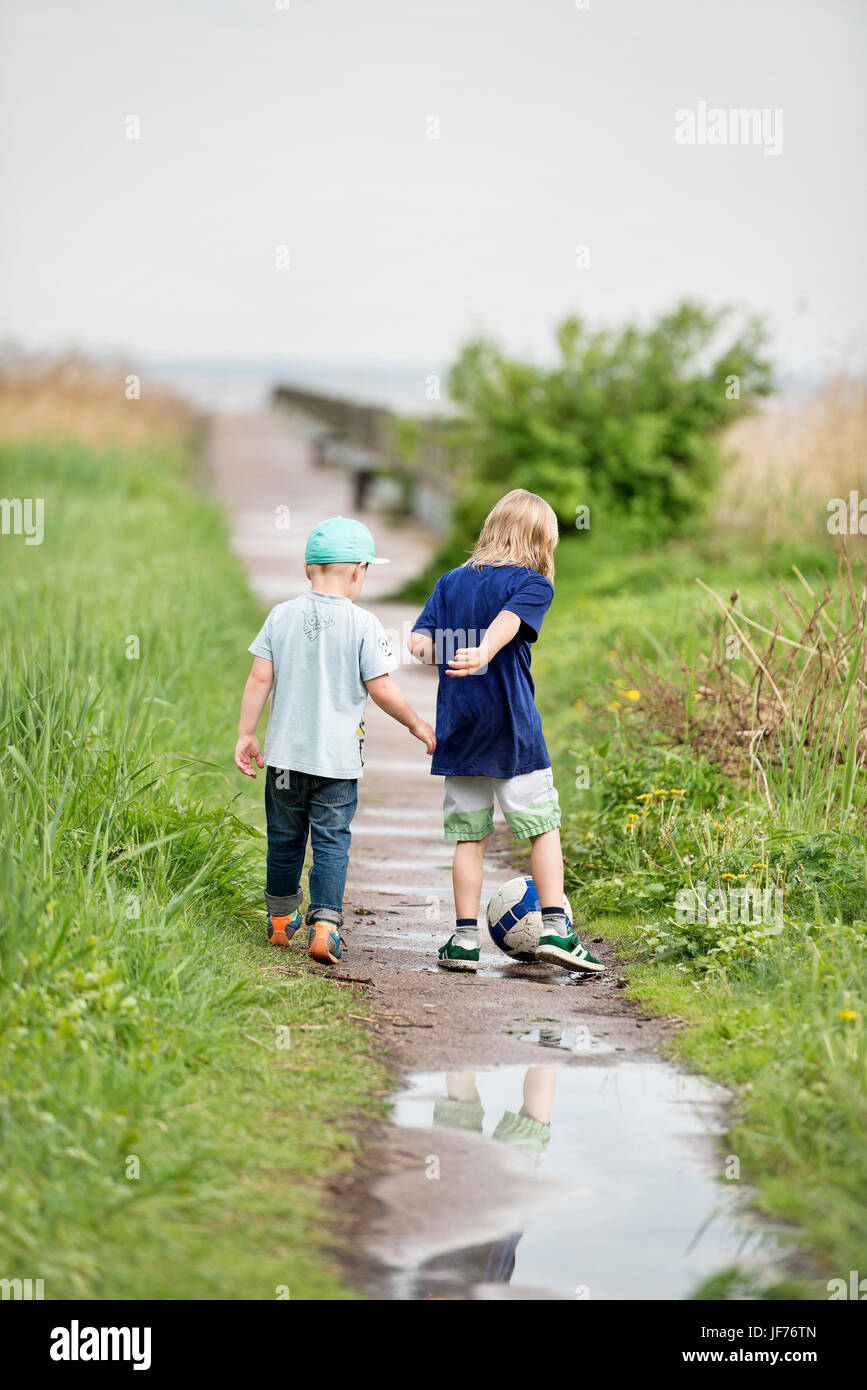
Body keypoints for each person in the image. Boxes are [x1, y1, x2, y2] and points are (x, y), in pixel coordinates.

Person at [408, 489, 603, 975]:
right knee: (542, 827)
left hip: (460, 733)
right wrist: (486, 650)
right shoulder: (534, 583)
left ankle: (464, 940)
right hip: (512, 729)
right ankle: (556, 926)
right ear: (541, 541)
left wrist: (446, 651)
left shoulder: (450, 582)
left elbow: (417, 642)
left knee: (469, 838)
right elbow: (508, 621)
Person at [235, 516, 436, 963]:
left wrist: (247, 733)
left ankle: (281, 922)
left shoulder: (280, 616)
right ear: (358, 572)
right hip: (337, 766)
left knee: (284, 839)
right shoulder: (364, 624)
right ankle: (324, 926)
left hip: (286, 760)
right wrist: (417, 724)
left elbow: (258, 677)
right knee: (331, 841)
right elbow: (382, 687)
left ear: (309, 569)